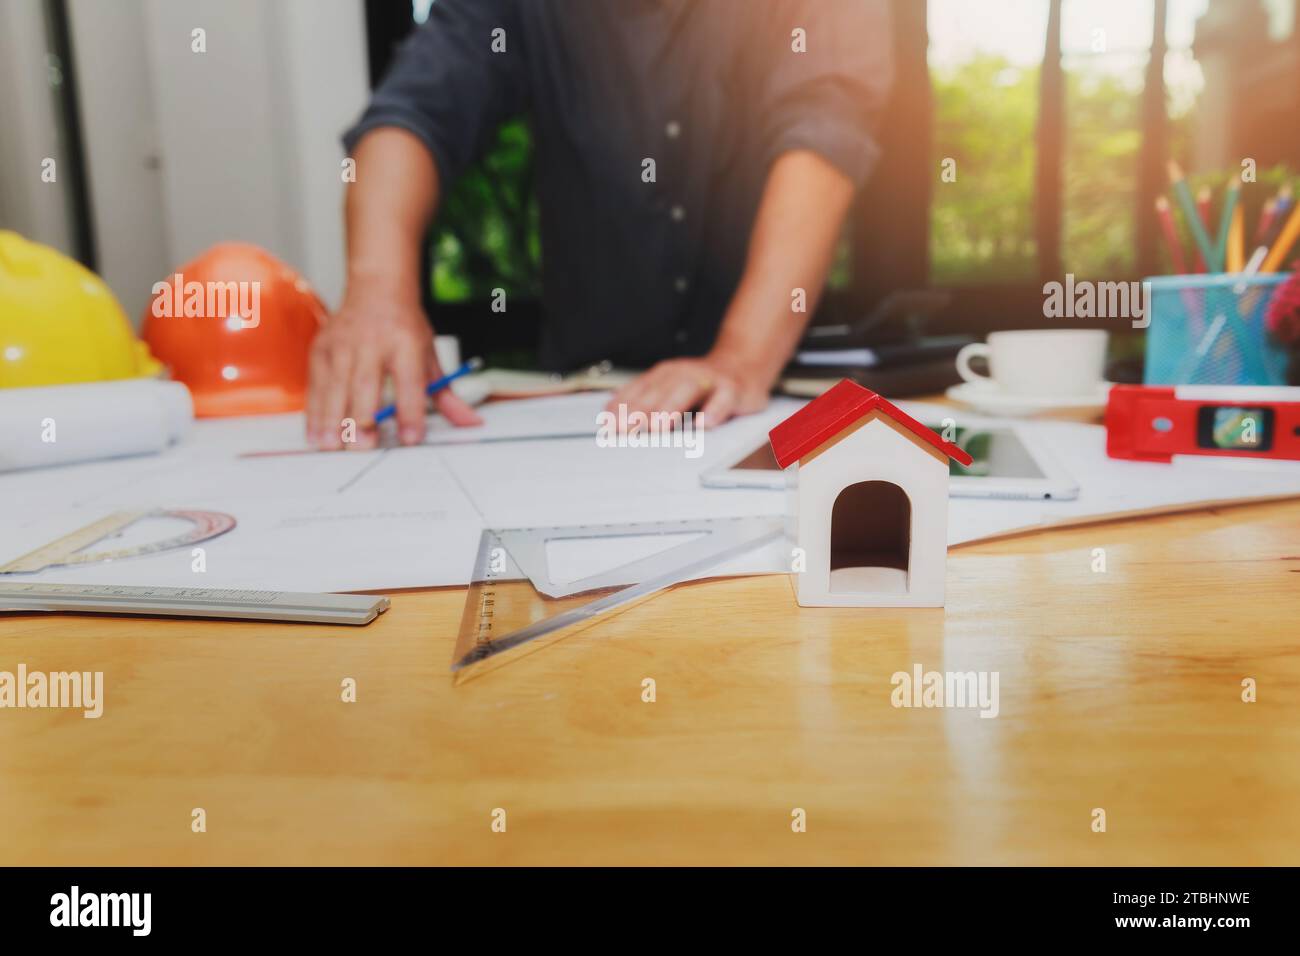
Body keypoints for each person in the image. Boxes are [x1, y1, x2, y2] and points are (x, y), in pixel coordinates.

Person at [307, 0, 892, 449]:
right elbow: (411, 114)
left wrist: (740, 357)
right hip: (589, 410)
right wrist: (378, 289)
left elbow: (825, 128)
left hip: (775, 394)